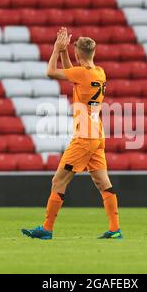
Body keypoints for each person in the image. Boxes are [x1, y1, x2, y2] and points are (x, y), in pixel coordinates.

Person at [21, 27, 122, 239]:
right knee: (103, 183)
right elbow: (72, 75)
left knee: (58, 181)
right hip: (97, 135)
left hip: (84, 137)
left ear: (78, 54)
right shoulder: (99, 73)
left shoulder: (80, 73)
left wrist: (57, 50)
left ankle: (46, 229)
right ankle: (115, 229)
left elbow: (51, 72)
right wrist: (67, 52)